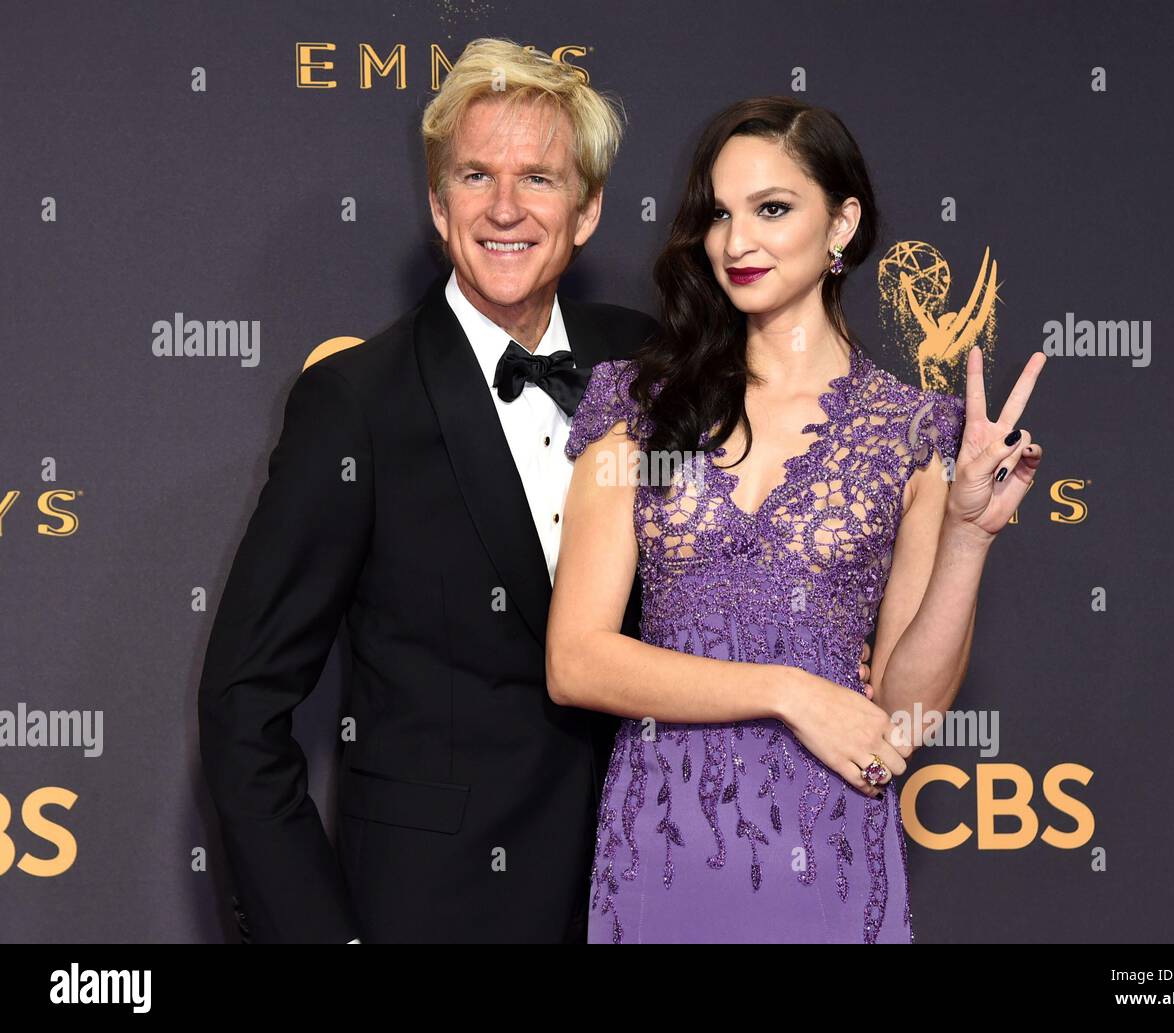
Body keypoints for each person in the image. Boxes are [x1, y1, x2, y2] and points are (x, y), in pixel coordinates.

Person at [548, 96, 1047, 943]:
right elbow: (576, 660)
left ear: (842, 223)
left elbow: (903, 720)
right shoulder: (635, 404)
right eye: (719, 214)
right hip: (664, 845)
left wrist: (968, 535)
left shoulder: (911, 430)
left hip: (828, 845)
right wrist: (787, 692)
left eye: (772, 209)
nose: (736, 242)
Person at [196, 38, 659, 943]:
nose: (505, 208)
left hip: (648, 889)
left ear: (590, 207)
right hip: (436, 911)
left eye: (539, 178)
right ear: (440, 207)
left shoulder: (649, 362)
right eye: (476, 175)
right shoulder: (356, 403)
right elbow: (242, 702)